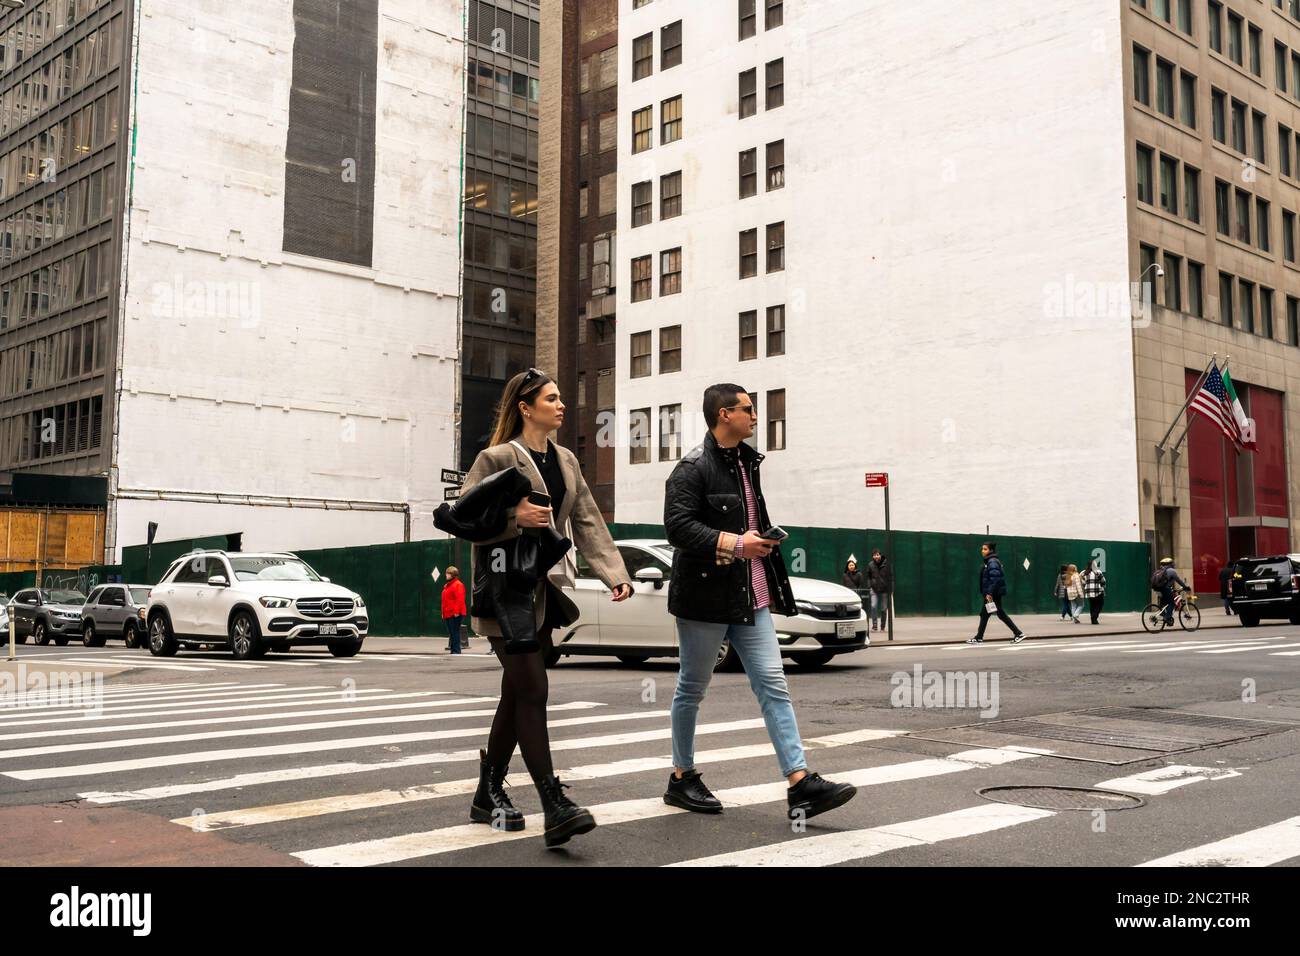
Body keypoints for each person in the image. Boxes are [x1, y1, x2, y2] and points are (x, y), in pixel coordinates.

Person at [662, 383, 857, 822]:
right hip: (705, 600)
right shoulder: (692, 467)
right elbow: (677, 528)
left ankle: (800, 782)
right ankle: (681, 777)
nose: (755, 416)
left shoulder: (747, 464)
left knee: (773, 684)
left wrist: (757, 545)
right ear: (724, 415)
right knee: (691, 689)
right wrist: (735, 543)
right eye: (748, 410)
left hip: (752, 596)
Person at [460, 367, 633, 848]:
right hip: (502, 593)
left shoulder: (566, 461)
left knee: (516, 695)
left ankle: (487, 791)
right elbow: (459, 513)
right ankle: (553, 802)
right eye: (552, 398)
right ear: (526, 407)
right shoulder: (495, 458)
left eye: (560, 398)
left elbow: (588, 520)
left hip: (541, 592)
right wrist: (514, 517)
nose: (561, 405)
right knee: (533, 688)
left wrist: (614, 574)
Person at [966, 541, 1026, 644]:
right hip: (992, 593)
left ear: (991, 550)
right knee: (985, 614)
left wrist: (989, 593)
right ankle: (979, 637)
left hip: (993, 594)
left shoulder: (992, 561)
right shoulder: (990, 561)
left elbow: (995, 579)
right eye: (982, 549)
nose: (982, 551)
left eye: (985, 549)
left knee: (999, 614)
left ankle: (1018, 633)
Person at [1153, 557, 1190, 625]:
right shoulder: (1171, 571)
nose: (1174, 564)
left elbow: (1167, 582)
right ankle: (1167, 618)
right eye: (1173, 563)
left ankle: (1163, 615)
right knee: (1172, 603)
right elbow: (1178, 580)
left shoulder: (1160, 570)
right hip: (1165, 589)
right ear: (1170, 564)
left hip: (1157, 589)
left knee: (1164, 604)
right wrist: (1185, 587)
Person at [865, 549, 893, 632]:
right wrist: (869, 586)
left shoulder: (887, 564)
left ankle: (882, 627)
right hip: (874, 589)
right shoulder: (870, 565)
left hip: (885, 589)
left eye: (877, 555)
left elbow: (891, 577)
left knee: (884, 608)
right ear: (872, 556)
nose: (876, 556)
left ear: (880, 555)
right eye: (874, 555)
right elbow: (868, 577)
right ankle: (874, 626)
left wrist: (891, 589)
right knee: (873, 606)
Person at [442, 566, 467, 654]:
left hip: (455, 613)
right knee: (451, 632)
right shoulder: (447, 585)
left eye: (448, 573)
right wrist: (443, 612)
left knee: (455, 632)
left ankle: (456, 650)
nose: (446, 575)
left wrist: (456, 612)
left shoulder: (458, 585)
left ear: (452, 575)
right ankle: (453, 650)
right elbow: (445, 600)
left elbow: (460, 599)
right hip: (448, 612)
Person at [1081, 559, 1107, 624]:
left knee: (1092, 605)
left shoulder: (1084, 572)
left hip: (1088, 592)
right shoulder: (1098, 572)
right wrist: (1103, 586)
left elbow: (1081, 581)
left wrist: (1086, 585)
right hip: (1097, 591)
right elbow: (1103, 581)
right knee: (1100, 604)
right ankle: (1094, 617)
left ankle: (1093, 619)